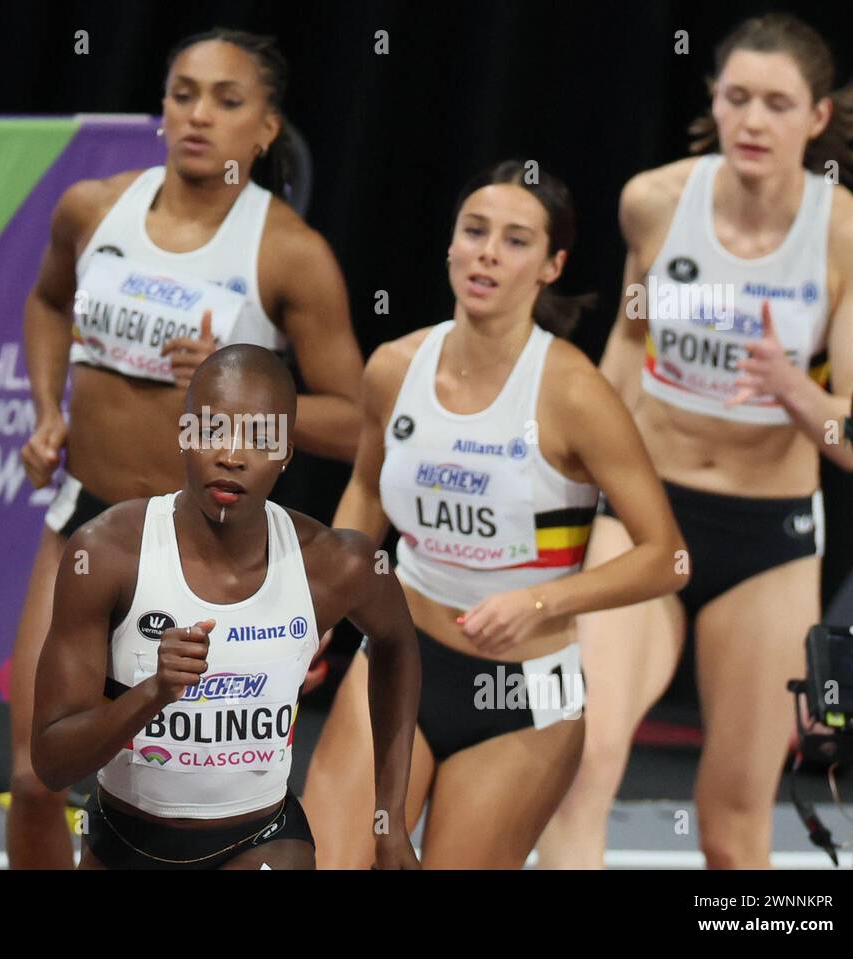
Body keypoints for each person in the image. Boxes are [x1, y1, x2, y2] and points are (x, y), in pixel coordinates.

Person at [7, 28, 364, 867]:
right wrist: (45, 412)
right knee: (34, 772)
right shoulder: (93, 208)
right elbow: (47, 301)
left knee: (179, 792)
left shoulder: (289, 255)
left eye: (227, 100)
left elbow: (355, 421)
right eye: (183, 93)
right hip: (90, 525)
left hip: (204, 552)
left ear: (267, 128)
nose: (199, 115)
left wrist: (244, 371)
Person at [538, 13, 853, 869]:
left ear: (817, 117)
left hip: (767, 541)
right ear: (715, 103)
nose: (753, 121)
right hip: (644, 513)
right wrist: (571, 467)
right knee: (583, 761)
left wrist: (794, 389)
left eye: (777, 103)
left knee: (732, 825)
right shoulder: (655, 201)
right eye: (737, 98)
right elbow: (627, 337)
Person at [302, 160, 688, 868]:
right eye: (474, 231)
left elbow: (666, 555)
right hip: (400, 661)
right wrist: (317, 611)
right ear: (450, 245)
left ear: (551, 265)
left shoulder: (575, 392)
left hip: (525, 693)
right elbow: (365, 493)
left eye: (515, 240)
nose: (487, 251)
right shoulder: (395, 366)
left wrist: (544, 599)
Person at [29, 345, 420, 870]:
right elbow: (52, 763)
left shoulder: (336, 565)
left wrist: (391, 822)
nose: (232, 455)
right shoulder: (106, 555)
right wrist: (153, 692)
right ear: (183, 433)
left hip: (262, 837)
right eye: (212, 430)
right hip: (123, 837)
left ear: (286, 452)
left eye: (259, 438)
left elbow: (397, 644)